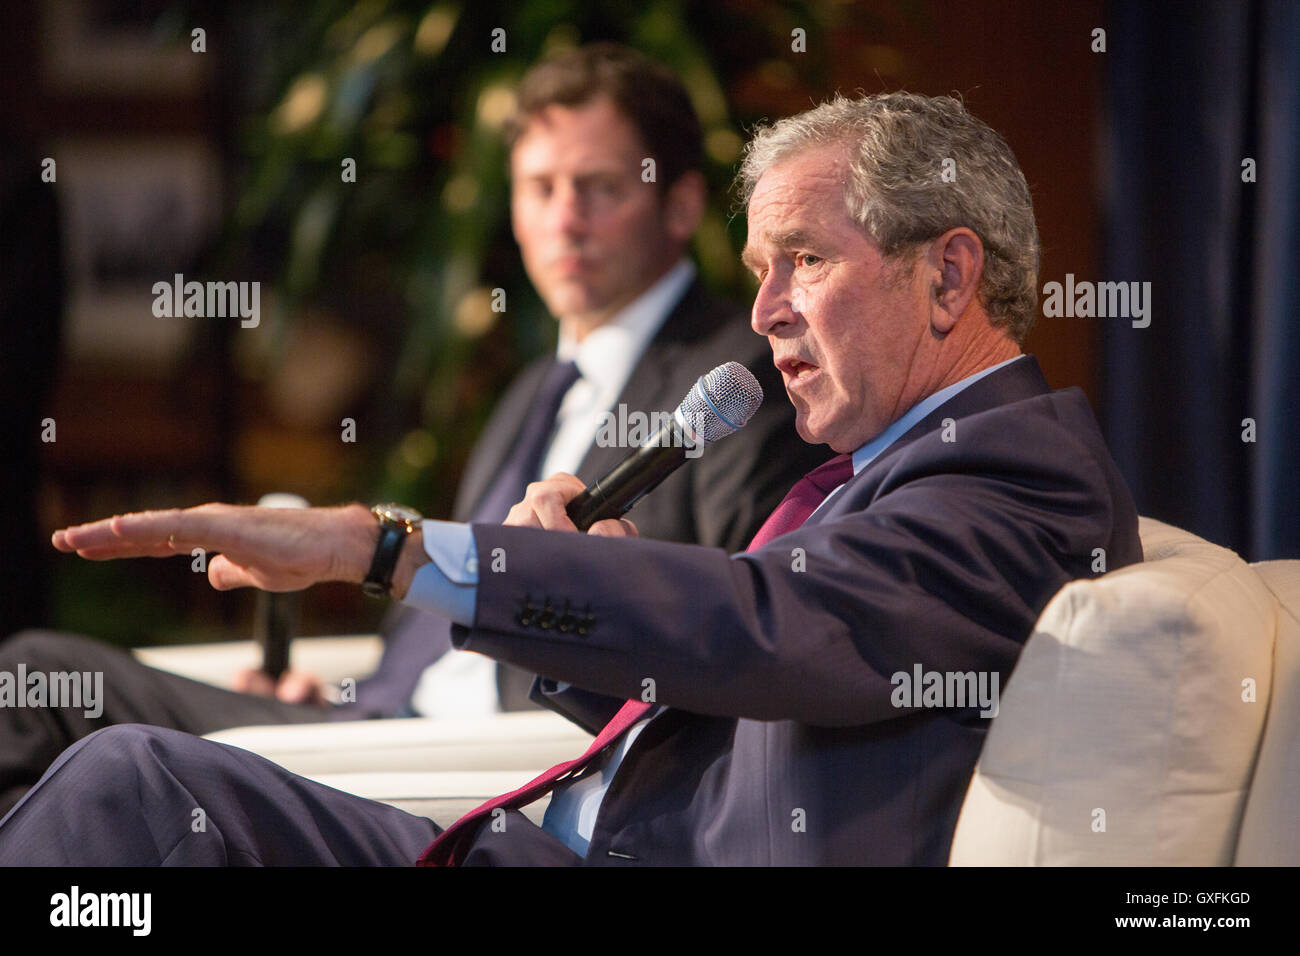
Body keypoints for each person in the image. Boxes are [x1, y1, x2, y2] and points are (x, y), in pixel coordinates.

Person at [0, 91, 1141, 866]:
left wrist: (384, 545)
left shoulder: (1015, 477)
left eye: (804, 259)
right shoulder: (902, 467)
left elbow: (770, 624)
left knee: (132, 785)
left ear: (948, 275)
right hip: (549, 836)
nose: (764, 313)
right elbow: (779, 677)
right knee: (123, 780)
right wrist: (607, 598)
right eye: (758, 270)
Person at [0, 44, 826, 817]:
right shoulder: (535, 386)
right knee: (36, 686)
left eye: (600, 187)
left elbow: (734, 643)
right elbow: (437, 627)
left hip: (485, 761)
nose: (564, 219)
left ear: (680, 204)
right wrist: (347, 694)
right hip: (375, 724)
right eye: (540, 188)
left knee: (37, 677)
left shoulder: (737, 380)